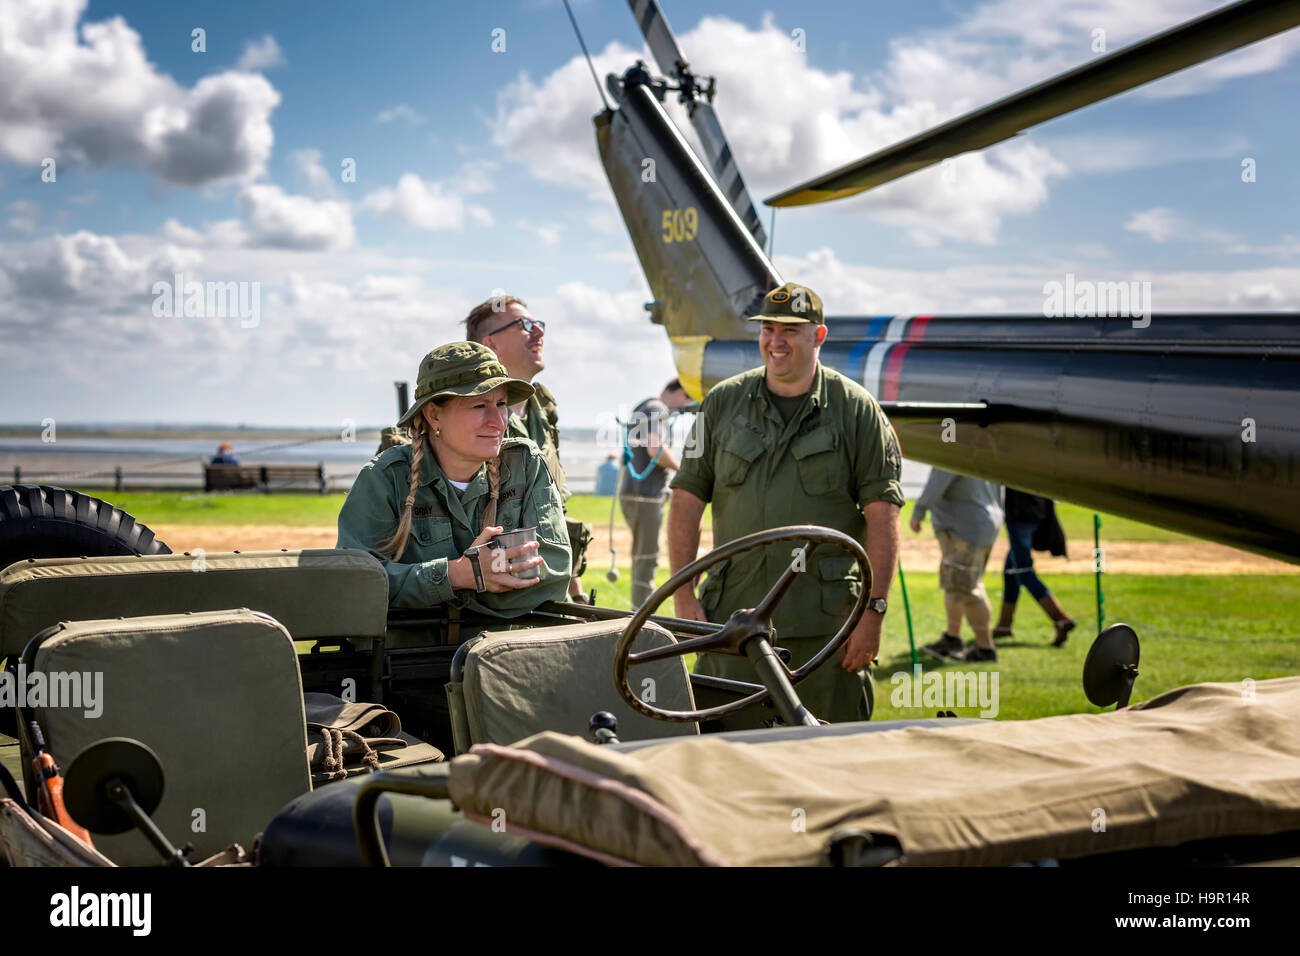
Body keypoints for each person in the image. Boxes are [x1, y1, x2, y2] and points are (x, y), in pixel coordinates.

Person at [668, 282, 904, 727]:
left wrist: (873, 613)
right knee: (730, 748)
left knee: (831, 752)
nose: (775, 341)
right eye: (768, 329)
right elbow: (686, 499)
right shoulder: (720, 404)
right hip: (736, 622)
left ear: (818, 336)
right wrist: (683, 593)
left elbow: (883, 516)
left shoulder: (857, 410)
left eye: (790, 330)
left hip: (828, 630)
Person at [336, 341, 572, 614]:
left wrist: (444, 589)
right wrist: (457, 575)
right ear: (434, 415)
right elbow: (354, 584)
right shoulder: (385, 479)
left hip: (507, 640)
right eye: (480, 405)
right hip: (415, 644)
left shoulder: (525, 464)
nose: (498, 422)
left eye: (501, 404)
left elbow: (553, 572)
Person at [464, 295, 591, 601]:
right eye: (525, 325)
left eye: (538, 324)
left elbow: (554, 511)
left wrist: (574, 595)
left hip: (545, 587)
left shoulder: (542, 409)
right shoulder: (467, 422)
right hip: (493, 596)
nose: (539, 332)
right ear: (491, 344)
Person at [912, 468, 1004, 662]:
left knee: (968, 589)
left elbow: (938, 480)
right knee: (955, 585)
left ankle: (985, 648)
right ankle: (952, 637)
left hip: (964, 528)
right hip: (983, 522)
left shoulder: (952, 451)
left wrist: (919, 511)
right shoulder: (984, 452)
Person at [620, 379, 691, 606]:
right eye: (688, 399)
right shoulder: (657, 409)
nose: (686, 407)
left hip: (634, 493)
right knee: (647, 560)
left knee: (642, 557)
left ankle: (639, 613)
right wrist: (684, 470)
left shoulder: (645, 406)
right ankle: (641, 617)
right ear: (680, 392)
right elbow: (656, 449)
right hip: (647, 496)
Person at [995, 488, 1075, 645]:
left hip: (1020, 513)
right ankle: (1004, 625)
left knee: (1024, 572)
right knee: (1011, 571)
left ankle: (1061, 619)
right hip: (1035, 510)